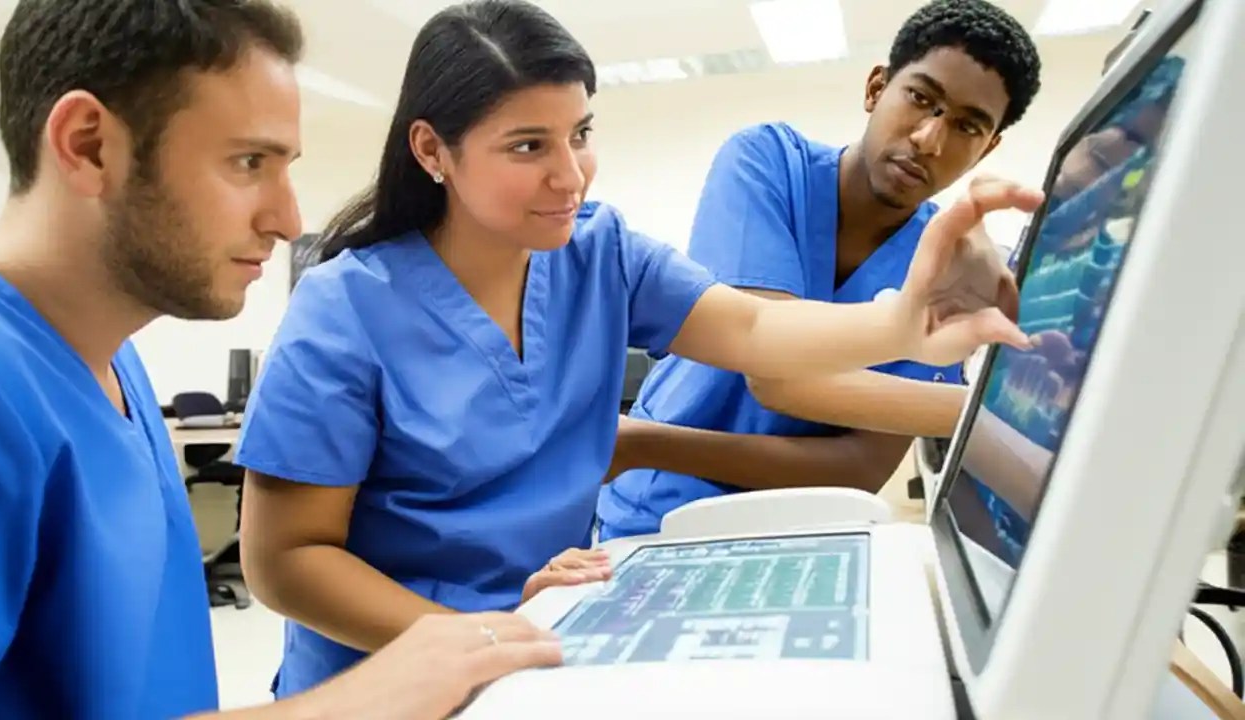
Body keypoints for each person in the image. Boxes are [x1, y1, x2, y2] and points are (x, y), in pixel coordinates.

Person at [233, 0, 1043, 700]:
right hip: (383, 677)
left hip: (533, 639)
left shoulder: (602, 253)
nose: (571, 176)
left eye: (579, 134)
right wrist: (470, 637)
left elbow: (756, 329)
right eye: (528, 147)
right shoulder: (345, 307)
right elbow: (285, 559)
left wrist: (907, 324)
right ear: (431, 151)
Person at [0, 2, 563, 718]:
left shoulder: (110, 367)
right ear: (90, 145)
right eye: (249, 162)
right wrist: (353, 702)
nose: (286, 221)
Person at [596, 0, 1044, 542]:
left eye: (968, 127)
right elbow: (775, 371)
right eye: (921, 99)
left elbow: (861, 467)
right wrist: (987, 418)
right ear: (876, 88)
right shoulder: (766, 163)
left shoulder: (943, 262)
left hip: (798, 536)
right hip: (653, 517)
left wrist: (645, 443)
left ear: (987, 148)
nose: (930, 139)